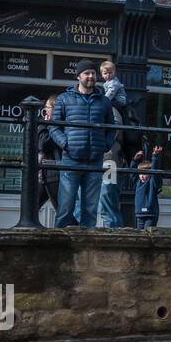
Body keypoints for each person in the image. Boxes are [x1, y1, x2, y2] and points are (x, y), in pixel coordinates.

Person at [50, 60, 113, 228]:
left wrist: (106, 145)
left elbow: (112, 127)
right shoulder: (64, 99)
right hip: (71, 159)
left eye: (93, 73)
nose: (91, 76)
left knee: (91, 209)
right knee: (66, 207)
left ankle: (87, 248)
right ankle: (60, 246)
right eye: (87, 73)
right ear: (78, 76)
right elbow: (54, 128)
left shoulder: (104, 101)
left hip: (95, 160)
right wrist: (66, 144)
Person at [97, 102, 125, 228]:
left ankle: (115, 240)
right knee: (81, 202)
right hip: (91, 160)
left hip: (109, 161)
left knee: (107, 200)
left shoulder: (111, 109)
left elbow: (115, 130)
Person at [36, 94, 61, 213]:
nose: (45, 110)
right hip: (44, 172)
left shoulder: (60, 125)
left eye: (48, 107)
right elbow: (43, 144)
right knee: (31, 207)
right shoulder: (44, 124)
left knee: (61, 209)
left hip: (55, 172)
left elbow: (44, 144)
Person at [133, 146, 164, 229]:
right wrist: (135, 160)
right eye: (140, 174)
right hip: (140, 214)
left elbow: (155, 171)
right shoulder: (138, 182)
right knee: (140, 236)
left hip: (151, 214)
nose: (142, 176)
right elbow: (132, 173)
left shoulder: (152, 182)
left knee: (148, 234)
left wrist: (155, 156)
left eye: (145, 173)